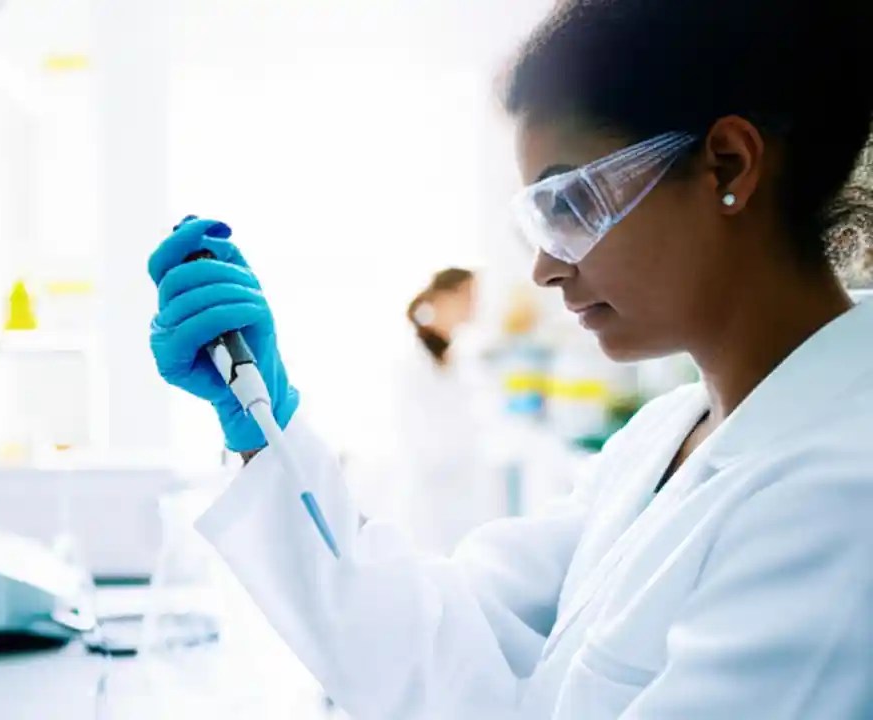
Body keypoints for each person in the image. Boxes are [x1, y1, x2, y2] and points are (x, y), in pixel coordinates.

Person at [146, 0, 873, 717]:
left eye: (572, 205)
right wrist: (261, 427)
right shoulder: (663, 438)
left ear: (726, 165)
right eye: (538, 219)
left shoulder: (840, 493)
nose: (545, 270)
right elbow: (439, 645)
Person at [390, 269, 492, 552]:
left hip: (461, 488)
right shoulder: (412, 361)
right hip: (430, 491)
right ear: (444, 297)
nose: (475, 305)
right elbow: (416, 435)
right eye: (468, 296)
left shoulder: (460, 355)